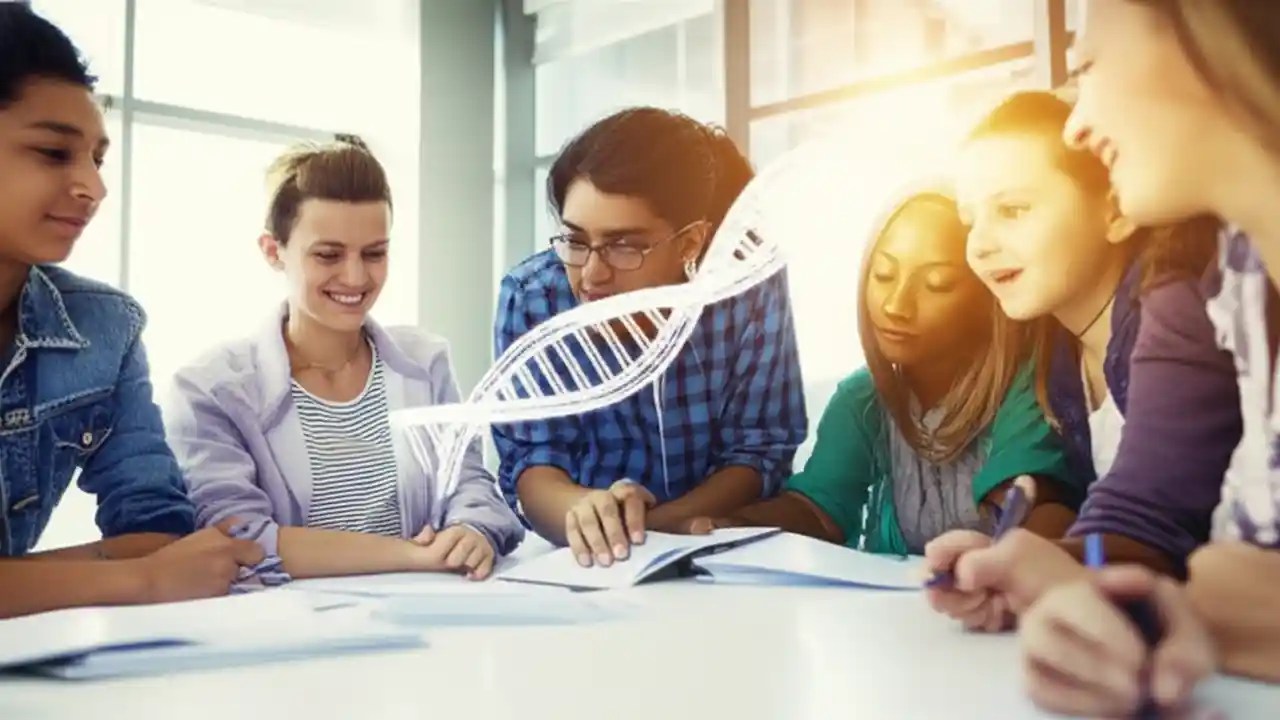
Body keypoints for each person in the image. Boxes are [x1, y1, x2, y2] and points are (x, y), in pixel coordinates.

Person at [1005, 1, 1280, 715]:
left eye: (1089, 66)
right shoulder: (1215, 273)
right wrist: (1078, 583)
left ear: (1204, 24)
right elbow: (1149, 516)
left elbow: (1232, 592)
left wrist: (1232, 610)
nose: (1075, 126)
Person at [0, 4, 263, 619]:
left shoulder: (104, 329)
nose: (93, 187)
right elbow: (151, 566)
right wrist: (133, 578)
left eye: (97, 158)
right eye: (53, 152)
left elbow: (158, 533)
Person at [923, 90, 1219, 630]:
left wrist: (1052, 564)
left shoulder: (1169, 309)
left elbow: (1156, 523)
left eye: (1012, 210)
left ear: (1115, 210)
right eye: (970, 221)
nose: (979, 245)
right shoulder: (1057, 361)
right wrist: (1023, 564)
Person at [166, 139, 522, 582]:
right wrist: (413, 556)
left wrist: (473, 529)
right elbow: (240, 538)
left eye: (374, 253)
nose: (355, 277)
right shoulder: (212, 389)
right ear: (273, 251)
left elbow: (470, 485)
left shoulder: (426, 362)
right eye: (328, 255)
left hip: (425, 609)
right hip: (286, 618)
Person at [685, 187, 1073, 578]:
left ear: (987, 294)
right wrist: (730, 526)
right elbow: (819, 511)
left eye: (937, 283)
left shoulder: (1026, 387)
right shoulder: (862, 399)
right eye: (884, 275)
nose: (895, 305)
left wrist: (1012, 560)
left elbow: (1036, 503)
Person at [492, 107, 807, 568]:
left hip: (718, 551)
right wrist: (584, 512)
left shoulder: (748, 288)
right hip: (581, 559)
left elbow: (761, 450)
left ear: (690, 242)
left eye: (624, 246)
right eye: (576, 241)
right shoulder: (534, 297)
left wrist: (656, 525)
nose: (592, 275)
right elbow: (532, 460)